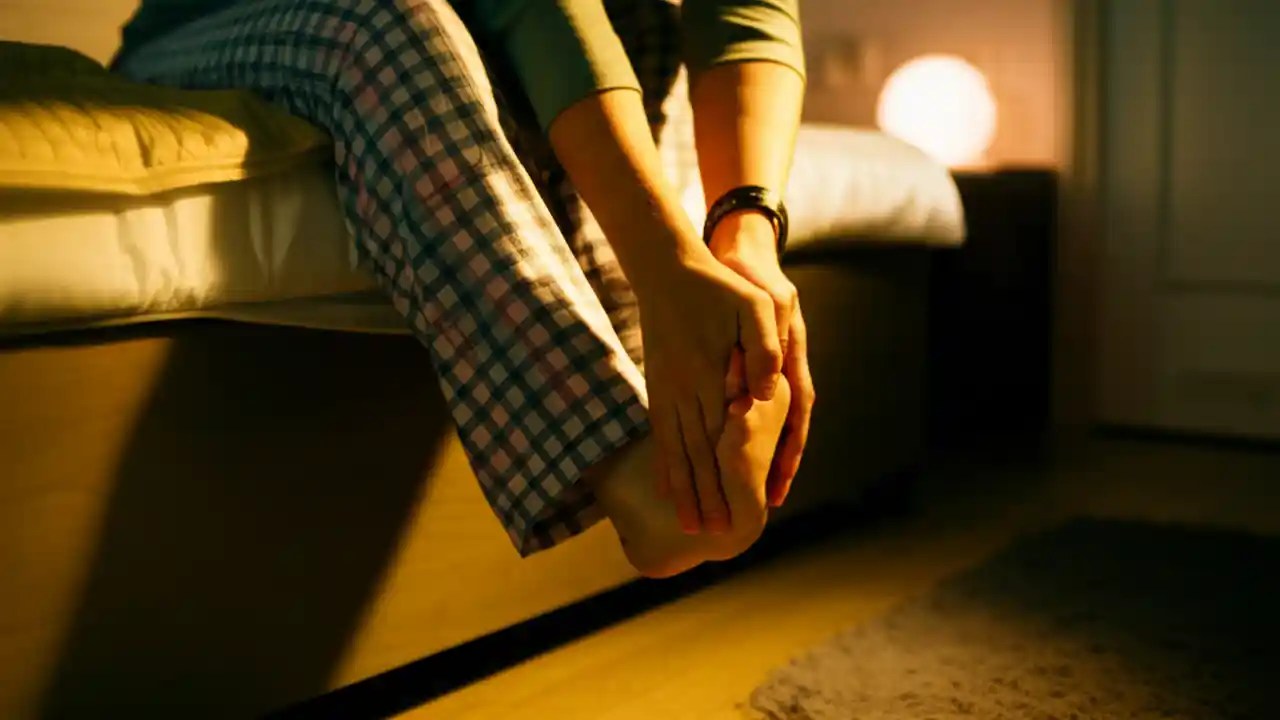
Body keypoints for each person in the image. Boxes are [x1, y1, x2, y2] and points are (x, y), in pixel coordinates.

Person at [112, 0, 816, 577]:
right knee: (388, 25)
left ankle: (680, 404)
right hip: (229, 21)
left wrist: (744, 239)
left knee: (641, 23)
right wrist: (666, 263)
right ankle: (636, 464)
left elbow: (747, 13)